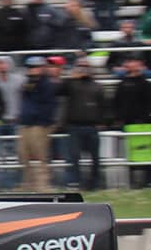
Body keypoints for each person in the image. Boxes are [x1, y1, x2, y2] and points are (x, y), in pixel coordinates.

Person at [61, 59, 104, 191]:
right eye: (80, 66)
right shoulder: (71, 85)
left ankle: (95, 184)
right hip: (74, 126)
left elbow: (103, 105)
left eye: (86, 66)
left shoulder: (97, 86)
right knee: (74, 157)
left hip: (92, 127)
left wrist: (102, 122)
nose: (83, 69)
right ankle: (76, 183)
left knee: (95, 159)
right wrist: (71, 78)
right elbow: (59, 91)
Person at [18, 57, 58, 193]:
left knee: (40, 155)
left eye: (34, 67)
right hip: (26, 123)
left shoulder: (46, 84)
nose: (31, 70)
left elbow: (49, 105)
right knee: (24, 154)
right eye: (29, 68)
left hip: (39, 125)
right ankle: (28, 183)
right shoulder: (27, 84)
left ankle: (43, 185)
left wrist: (43, 120)